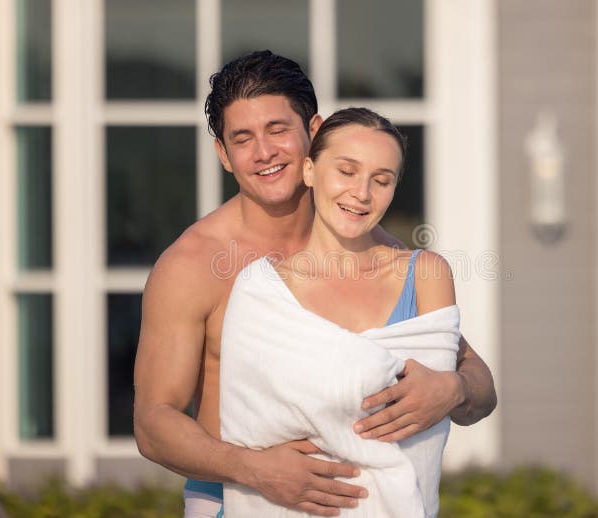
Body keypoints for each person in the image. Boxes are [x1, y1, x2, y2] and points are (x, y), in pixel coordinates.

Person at [133, 51, 497, 518]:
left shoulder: (369, 243)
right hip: (234, 501)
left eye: (278, 130)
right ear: (223, 155)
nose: (264, 152)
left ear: (315, 131)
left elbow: (476, 382)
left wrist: (454, 391)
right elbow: (152, 423)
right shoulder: (193, 265)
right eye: (243, 138)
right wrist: (256, 470)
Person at [220, 107, 465, 517]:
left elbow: (426, 432)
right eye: (346, 171)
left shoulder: (426, 274)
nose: (362, 193)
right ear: (310, 171)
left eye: (381, 180)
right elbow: (252, 427)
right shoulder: (260, 291)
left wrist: (454, 387)